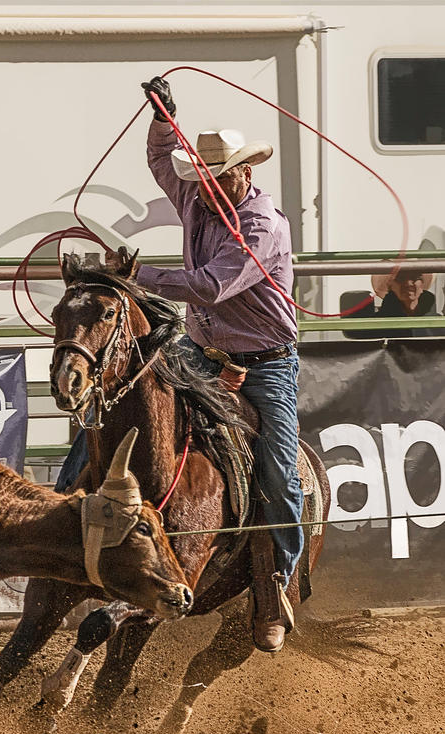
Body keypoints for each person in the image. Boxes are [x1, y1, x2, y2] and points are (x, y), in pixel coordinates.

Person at [135, 76, 302, 653]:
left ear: (244, 173)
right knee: (129, 408)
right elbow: (162, 160)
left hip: (264, 365)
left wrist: (139, 277)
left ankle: (275, 583)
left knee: (279, 473)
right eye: (202, 179)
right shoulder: (198, 198)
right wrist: (163, 117)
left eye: (219, 177)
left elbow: (211, 286)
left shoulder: (262, 226)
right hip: (202, 354)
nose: (207, 188)